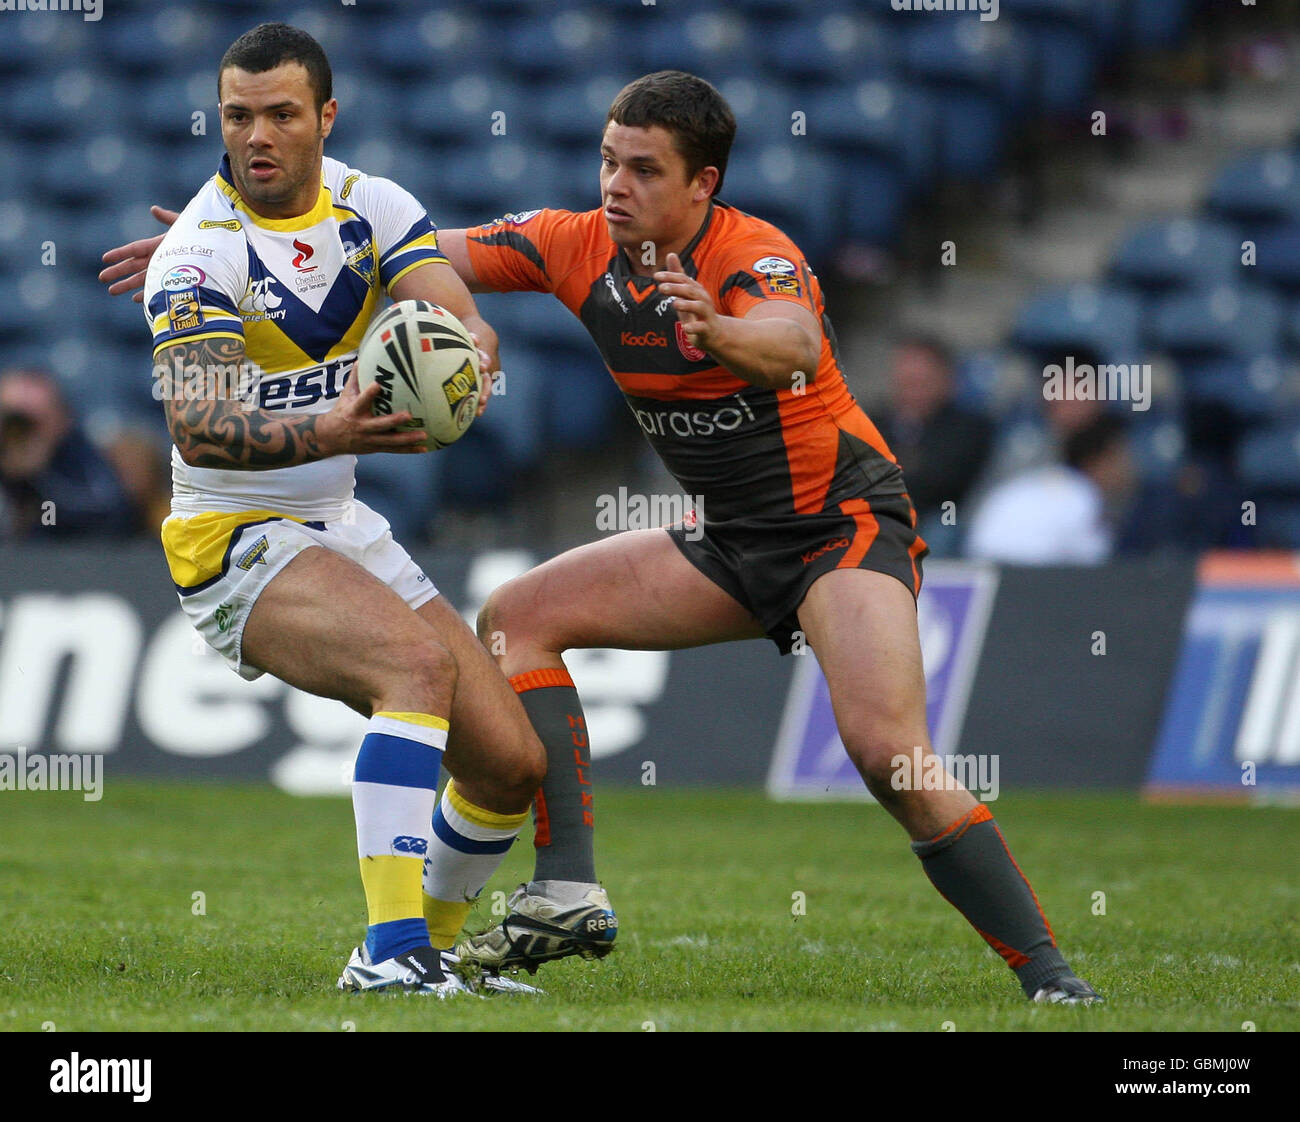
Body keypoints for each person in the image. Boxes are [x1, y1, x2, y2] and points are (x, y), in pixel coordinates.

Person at [102, 70, 1101, 1004]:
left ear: (703, 183)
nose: (615, 186)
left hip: (836, 526)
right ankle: (565, 889)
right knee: (520, 616)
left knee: (887, 754)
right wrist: (225, 251)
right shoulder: (574, 243)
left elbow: (793, 342)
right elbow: (400, 254)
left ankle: (1051, 976)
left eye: (643, 170)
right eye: (606, 161)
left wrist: (718, 332)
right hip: (728, 539)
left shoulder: (752, 256)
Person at [127, 22, 546, 997]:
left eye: (280, 113)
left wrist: (470, 352)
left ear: (326, 116)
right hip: (231, 537)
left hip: (342, 527)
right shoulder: (195, 256)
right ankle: (387, 951)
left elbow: (453, 310)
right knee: (413, 667)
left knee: (506, 764)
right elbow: (198, 427)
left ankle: (432, 953)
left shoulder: (374, 205)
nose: (257, 135)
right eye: (238, 116)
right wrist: (336, 426)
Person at [965, 412, 1136, 564]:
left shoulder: (1039, 480)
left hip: (987, 568)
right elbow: (1095, 558)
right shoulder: (1080, 493)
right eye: (1117, 459)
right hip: (1028, 575)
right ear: (1097, 461)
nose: (1125, 467)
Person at [873, 335, 993, 547]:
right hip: (882, 515)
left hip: (943, 513)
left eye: (921, 383)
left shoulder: (969, 426)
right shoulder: (872, 422)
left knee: (942, 530)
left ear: (946, 380)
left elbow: (945, 482)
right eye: (907, 383)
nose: (913, 392)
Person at [0, 367, 135, 540]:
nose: (20, 434)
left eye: (31, 424)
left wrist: (39, 478)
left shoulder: (81, 459)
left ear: (62, 420)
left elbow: (111, 513)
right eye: (13, 424)